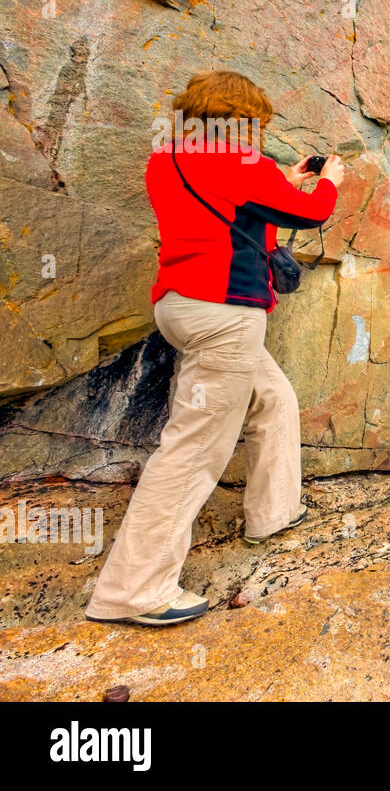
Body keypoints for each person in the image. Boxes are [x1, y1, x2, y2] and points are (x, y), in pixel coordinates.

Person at [85, 71, 344, 626]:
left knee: (273, 398)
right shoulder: (240, 165)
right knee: (194, 448)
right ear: (239, 119)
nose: (258, 134)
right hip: (225, 315)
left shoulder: (168, 160)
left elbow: (227, 214)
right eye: (255, 123)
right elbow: (313, 213)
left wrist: (284, 180)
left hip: (180, 306)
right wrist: (328, 183)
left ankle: (274, 511)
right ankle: (135, 590)